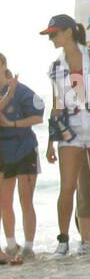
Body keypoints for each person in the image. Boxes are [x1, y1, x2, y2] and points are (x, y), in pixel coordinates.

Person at [40, 15, 90, 256]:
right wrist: (50, 142)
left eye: (54, 33)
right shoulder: (56, 67)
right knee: (67, 186)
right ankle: (64, 240)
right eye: (50, 35)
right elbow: (57, 105)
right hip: (72, 129)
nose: (51, 38)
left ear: (68, 32)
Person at [0, 56, 44, 262]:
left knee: (26, 200)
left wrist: (13, 124)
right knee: (4, 201)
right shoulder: (8, 92)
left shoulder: (22, 90)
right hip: (3, 150)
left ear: (3, 65)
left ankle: (28, 246)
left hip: (25, 147)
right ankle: (10, 244)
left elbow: (38, 116)